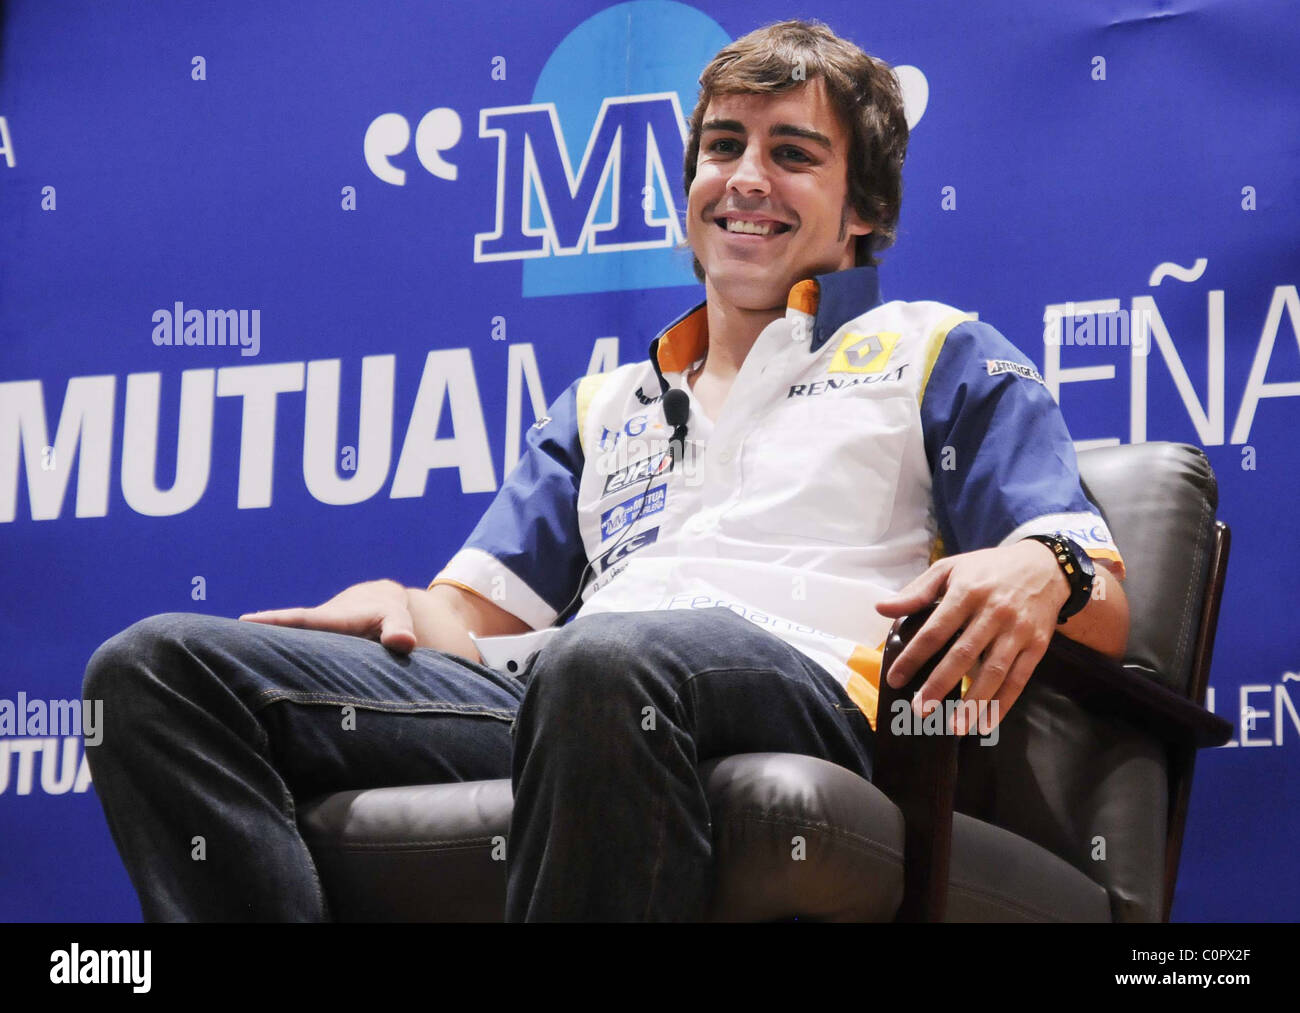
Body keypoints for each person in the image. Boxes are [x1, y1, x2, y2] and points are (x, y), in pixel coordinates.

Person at [82, 19, 1128, 922]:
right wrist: (401, 601)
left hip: (802, 686)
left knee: (607, 659)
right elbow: (470, 624)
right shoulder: (601, 403)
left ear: (863, 209)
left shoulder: (937, 345)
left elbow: (1100, 597)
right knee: (154, 670)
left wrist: (1048, 567)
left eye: (793, 152)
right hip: (571, 699)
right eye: (723, 146)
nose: (746, 177)